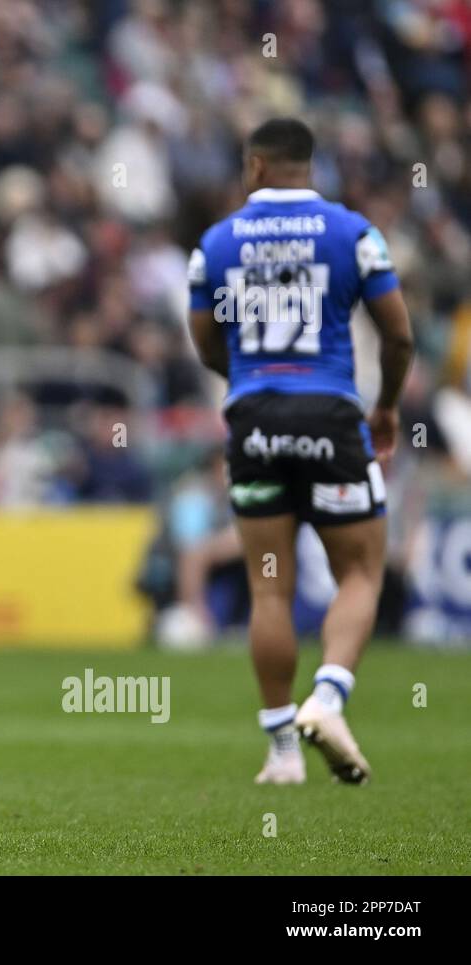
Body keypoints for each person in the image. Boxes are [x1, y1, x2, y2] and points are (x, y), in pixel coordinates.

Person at [187, 118, 413, 785]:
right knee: (362, 573)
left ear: (255, 166)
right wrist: (389, 406)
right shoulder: (353, 233)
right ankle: (330, 696)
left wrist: (246, 384)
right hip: (332, 415)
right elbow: (397, 336)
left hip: (254, 419)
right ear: (308, 166)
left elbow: (204, 338)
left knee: (268, 586)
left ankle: (282, 751)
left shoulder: (216, 243)